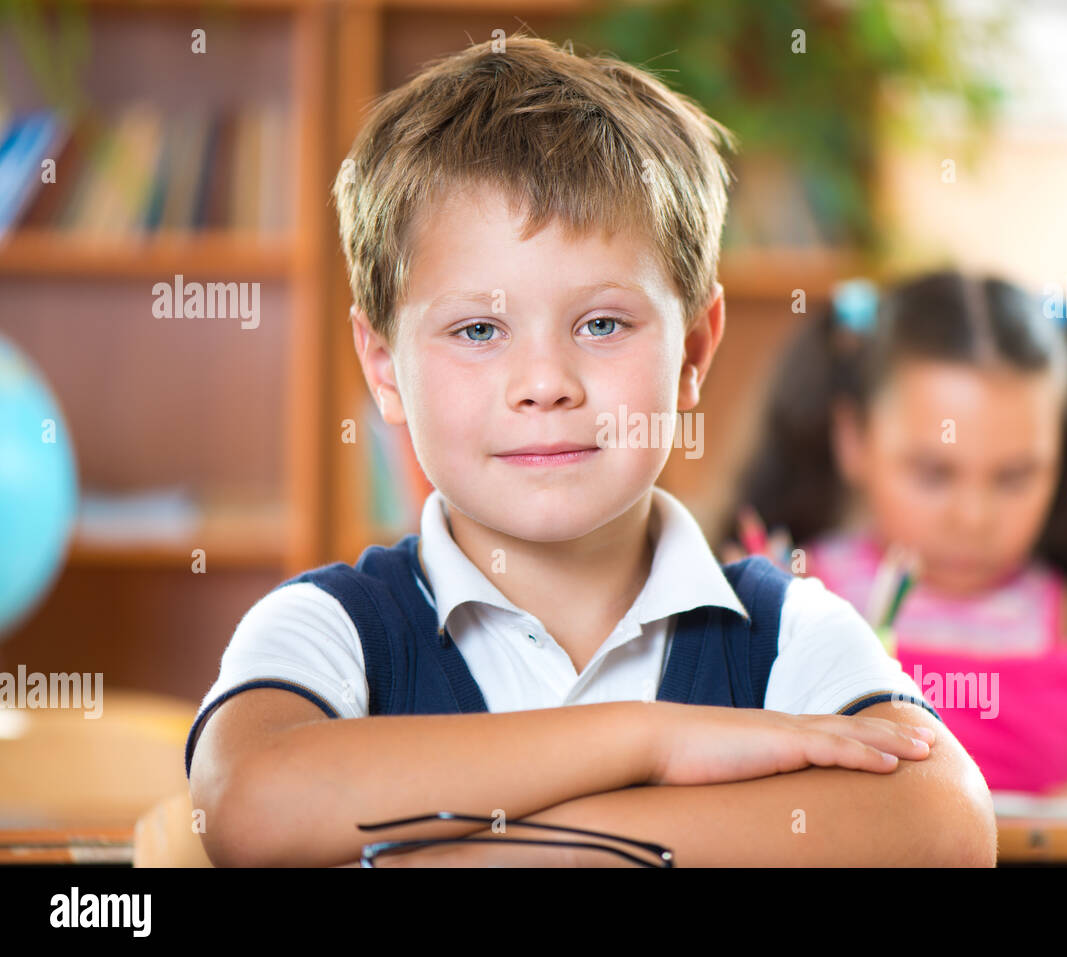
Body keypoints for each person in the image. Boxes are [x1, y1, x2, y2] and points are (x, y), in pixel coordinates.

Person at [184, 36, 996, 867]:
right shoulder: (332, 627)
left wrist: (512, 856)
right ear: (383, 366)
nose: (544, 384)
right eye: (478, 330)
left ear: (693, 354)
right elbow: (249, 807)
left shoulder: (787, 628)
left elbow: (943, 824)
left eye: (602, 324)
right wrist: (648, 741)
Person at [727, 270, 1067, 800]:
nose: (972, 518)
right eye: (933, 473)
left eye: (1015, 475)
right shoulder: (780, 598)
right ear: (853, 439)